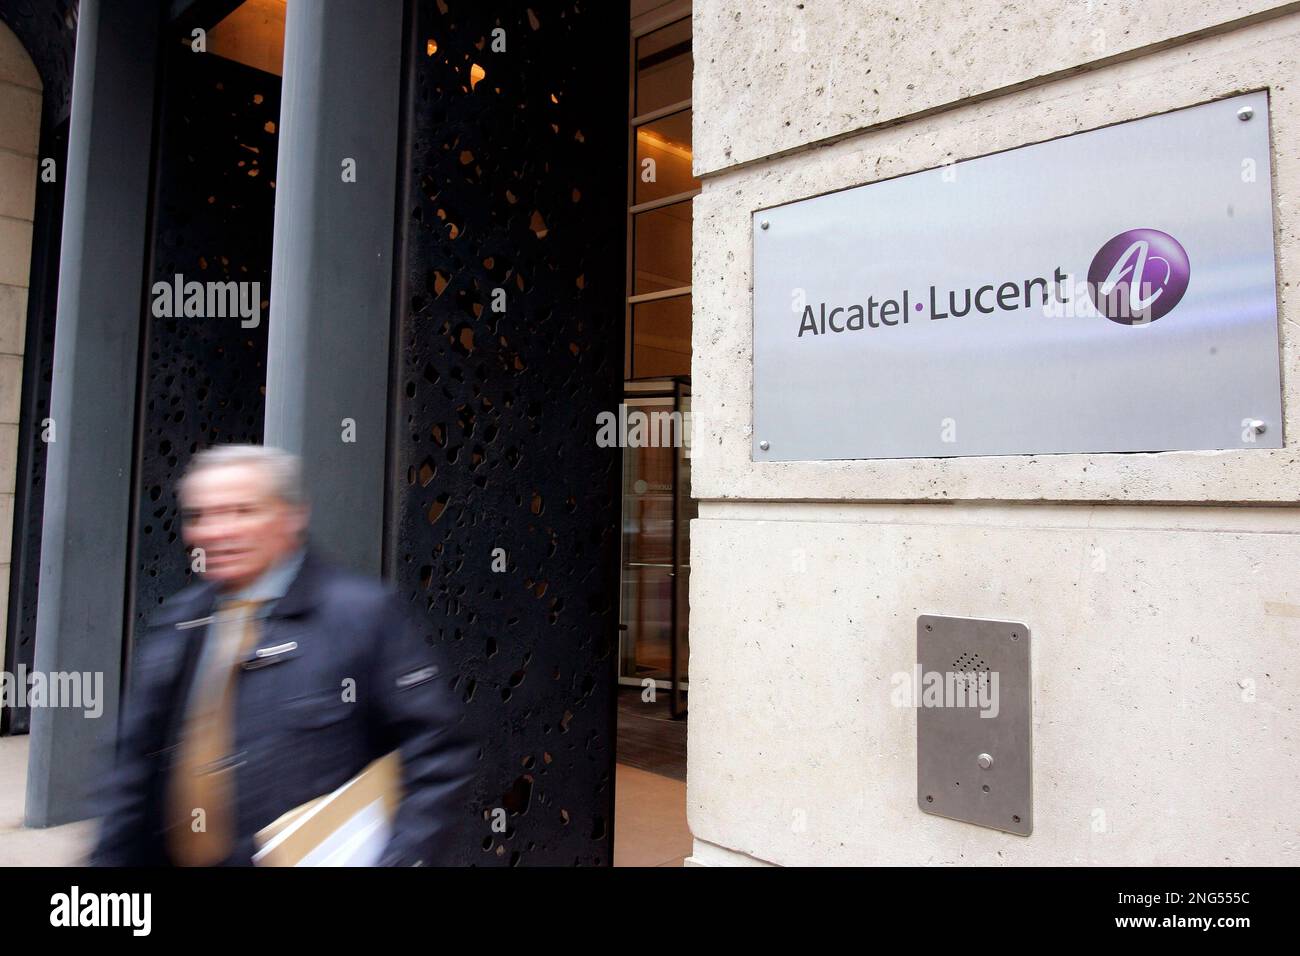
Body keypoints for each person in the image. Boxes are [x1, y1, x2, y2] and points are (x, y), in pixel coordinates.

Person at [90, 444, 475, 866]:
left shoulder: (362, 615)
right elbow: (132, 775)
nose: (217, 531)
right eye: (202, 515)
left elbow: (437, 754)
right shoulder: (180, 623)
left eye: (242, 511)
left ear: (293, 516)